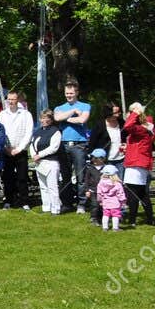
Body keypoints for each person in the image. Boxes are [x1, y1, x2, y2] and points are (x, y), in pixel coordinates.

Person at [54, 79, 92, 213]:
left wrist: (66, 118)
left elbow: (82, 120)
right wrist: (73, 112)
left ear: (77, 93)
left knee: (81, 176)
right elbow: (57, 118)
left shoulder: (85, 106)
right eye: (66, 93)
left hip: (79, 145)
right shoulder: (59, 107)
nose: (68, 95)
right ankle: (67, 203)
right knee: (65, 176)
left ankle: (81, 203)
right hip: (64, 145)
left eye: (71, 93)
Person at [121, 104, 155, 226]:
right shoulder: (144, 130)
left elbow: (127, 126)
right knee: (141, 193)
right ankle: (150, 218)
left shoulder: (141, 129)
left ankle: (132, 220)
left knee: (133, 193)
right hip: (138, 162)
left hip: (136, 163)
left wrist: (135, 113)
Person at [0, 91, 34, 210]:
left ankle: (24, 202)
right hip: (6, 150)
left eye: (13, 99)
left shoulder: (26, 114)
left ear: (17, 100)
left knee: (22, 177)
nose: (11, 102)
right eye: (9, 99)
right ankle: (8, 200)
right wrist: (6, 148)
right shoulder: (2, 114)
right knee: (7, 177)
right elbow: (0, 132)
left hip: (20, 150)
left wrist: (19, 148)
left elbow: (29, 132)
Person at [29, 111, 64, 214]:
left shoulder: (55, 131)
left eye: (46, 118)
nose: (44, 120)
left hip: (51, 162)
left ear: (51, 119)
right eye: (42, 118)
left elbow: (54, 148)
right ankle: (46, 207)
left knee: (52, 187)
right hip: (39, 162)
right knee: (43, 186)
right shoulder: (37, 131)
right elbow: (32, 144)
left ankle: (56, 209)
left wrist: (39, 155)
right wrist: (34, 155)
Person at [96, 165, 126, 231]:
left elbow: (99, 193)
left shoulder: (100, 183)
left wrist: (100, 201)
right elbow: (120, 193)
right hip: (115, 203)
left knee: (105, 214)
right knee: (116, 215)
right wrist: (123, 201)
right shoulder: (117, 184)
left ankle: (105, 227)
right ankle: (115, 228)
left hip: (105, 202)